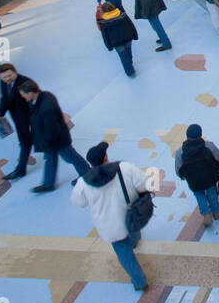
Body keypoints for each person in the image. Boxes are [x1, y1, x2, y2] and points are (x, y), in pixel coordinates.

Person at [72, 141, 151, 291]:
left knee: (123, 253)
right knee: (133, 231)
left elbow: (78, 201)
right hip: (131, 215)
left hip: (109, 226)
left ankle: (139, 281)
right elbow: (144, 183)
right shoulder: (124, 168)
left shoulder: (83, 182)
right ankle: (134, 241)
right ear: (106, 157)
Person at [18, 80, 90, 192]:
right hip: (51, 139)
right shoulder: (43, 96)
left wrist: (45, 141)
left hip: (57, 140)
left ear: (31, 92)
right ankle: (48, 184)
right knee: (51, 159)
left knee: (71, 157)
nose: (23, 97)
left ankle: (86, 173)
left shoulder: (46, 107)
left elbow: (52, 129)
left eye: (24, 94)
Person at [175, 123, 219, 227]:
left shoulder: (180, 152)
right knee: (212, 193)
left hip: (194, 181)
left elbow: (179, 169)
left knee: (199, 195)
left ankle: (206, 213)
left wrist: (182, 177)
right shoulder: (209, 146)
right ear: (200, 135)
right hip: (210, 177)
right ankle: (216, 211)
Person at [0, 63, 35, 180]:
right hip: (18, 117)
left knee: (25, 142)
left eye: (9, 76)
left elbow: (33, 100)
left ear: (15, 72)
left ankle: (20, 170)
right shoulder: (4, 83)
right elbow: (5, 98)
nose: (7, 79)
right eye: (4, 77)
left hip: (29, 117)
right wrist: (0, 114)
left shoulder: (26, 82)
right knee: (25, 140)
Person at [96, 0, 139, 78]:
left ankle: (130, 72)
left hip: (116, 42)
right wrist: (135, 35)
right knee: (129, 52)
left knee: (123, 56)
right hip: (128, 37)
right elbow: (131, 25)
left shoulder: (103, 22)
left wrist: (109, 46)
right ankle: (130, 64)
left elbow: (105, 36)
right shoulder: (122, 15)